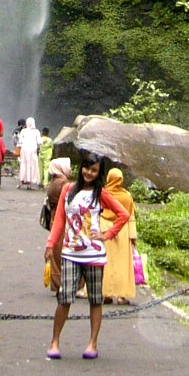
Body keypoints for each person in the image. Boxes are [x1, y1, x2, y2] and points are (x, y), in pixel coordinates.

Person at [44, 152, 129, 360]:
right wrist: (50, 244)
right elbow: (60, 220)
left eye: (94, 170)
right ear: (81, 168)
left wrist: (107, 235)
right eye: (87, 168)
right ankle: (54, 342)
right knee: (64, 297)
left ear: (99, 173)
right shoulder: (68, 189)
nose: (89, 173)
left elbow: (123, 214)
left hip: (93, 254)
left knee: (95, 299)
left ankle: (92, 343)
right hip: (70, 252)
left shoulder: (101, 193)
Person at [101, 167, 137, 304]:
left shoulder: (103, 194)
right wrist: (133, 237)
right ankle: (121, 296)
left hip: (105, 231)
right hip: (123, 231)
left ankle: (105, 294)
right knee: (122, 265)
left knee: (106, 263)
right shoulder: (127, 196)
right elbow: (131, 217)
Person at [44, 156, 71, 294]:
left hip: (54, 216)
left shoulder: (53, 182)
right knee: (62, 250)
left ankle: (56, 282)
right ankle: (63, 282)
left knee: (55, 251)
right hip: (62, 217)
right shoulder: (63, 183)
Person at [17, 116, 41, 188]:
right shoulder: (36, 131)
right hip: (33, 150)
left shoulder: (23, 131)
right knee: (31, 166)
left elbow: (20, 141)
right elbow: (39, 142)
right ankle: (29, 184)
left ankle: (21, 183)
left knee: (23, 165)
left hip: (24, 149)